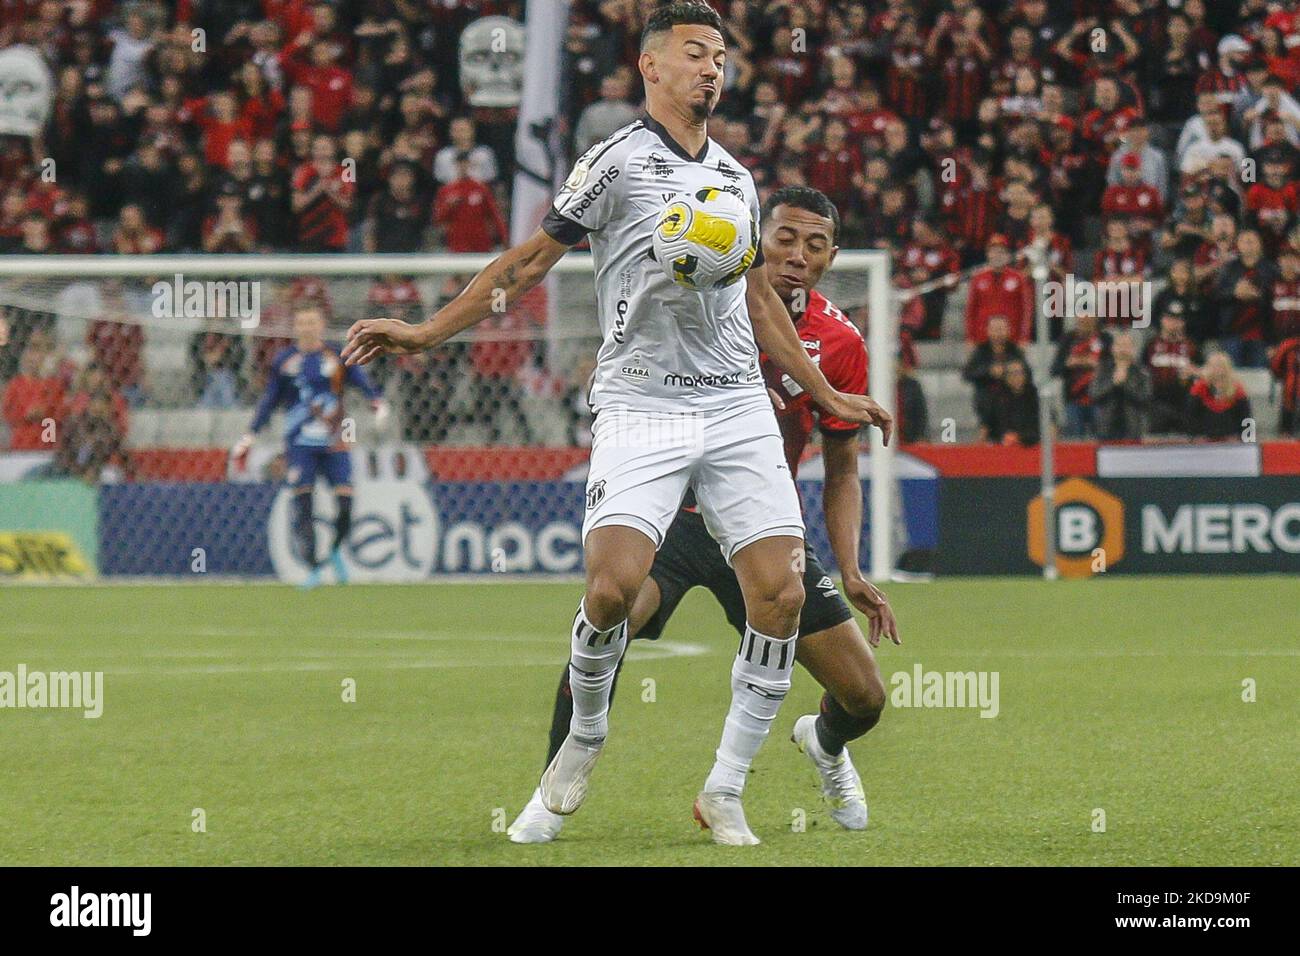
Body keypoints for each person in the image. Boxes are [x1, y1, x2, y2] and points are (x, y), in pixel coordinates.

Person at [341, 3, 890, 846]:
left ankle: (728, 787)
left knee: (779, 596)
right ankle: (585, 738)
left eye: (720, 57)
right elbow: (527, 262)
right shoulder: (615, 164)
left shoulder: (739, 181)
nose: (712, 69)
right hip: (642, 401)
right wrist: (424, 332)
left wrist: (823, 390)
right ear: (651, 66)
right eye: (695, 54)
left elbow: (753, 300)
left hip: (736, 401)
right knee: (609, 589)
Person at [508, 187, 900, 843]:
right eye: (784, 239)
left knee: (865, 698)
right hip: (677, 520)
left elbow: (843, 470)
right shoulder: (694, 301)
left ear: (832, 256)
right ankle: (550, 793)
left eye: (815, 245)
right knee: (609, 611)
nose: (798, 256)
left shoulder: (839, 342)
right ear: (752, 237)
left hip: (763, 532)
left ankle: (825, 745)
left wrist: (854, 569)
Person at [233, 304, 389, 588]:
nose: (307, 327)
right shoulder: (284, 361)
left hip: (334, 442)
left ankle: (333, 554)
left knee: (345, 504)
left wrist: (376, 401)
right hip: (299, 444)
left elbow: (361, 382)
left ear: (321, 324)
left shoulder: (337, 356)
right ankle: (314, 567)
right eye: (302, 322)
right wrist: (250, 434)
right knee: (303, 505)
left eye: (312, 322)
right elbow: (270, 400)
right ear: (295, 327)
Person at [1089, 331, 1152, 440]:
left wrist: (1125, 385)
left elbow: (1145, 398)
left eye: (1126, 346)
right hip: (1106, 429)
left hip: (1133, 429)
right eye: (1119, 345)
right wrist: (1113, 384)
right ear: (1112, 348)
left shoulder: (1142, 372)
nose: (1123, 349)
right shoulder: (1103, 369)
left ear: (1134, 349)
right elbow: (1094, 394)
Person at [1187, 351, 1252, 441]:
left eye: (1220, 366)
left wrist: (1248, 441)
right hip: (1204, 440)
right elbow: (1191, 417)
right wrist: (1193, 437)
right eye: (1213, 366)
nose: (1217, 370)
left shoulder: (1237, 389)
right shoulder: (1199, 388)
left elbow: (1247, 419)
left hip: (1231, 440)